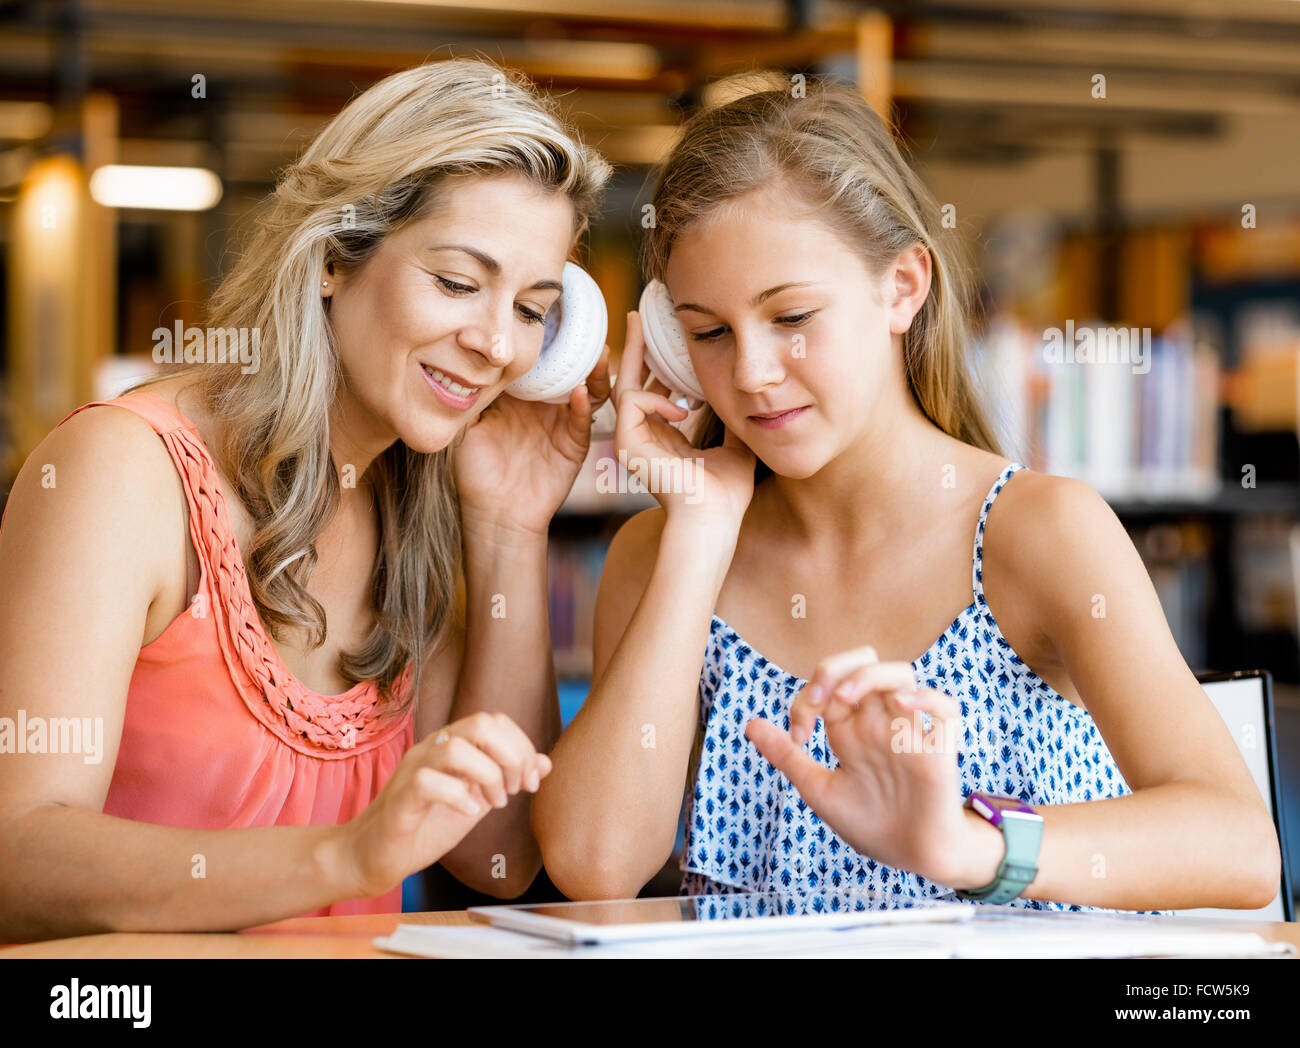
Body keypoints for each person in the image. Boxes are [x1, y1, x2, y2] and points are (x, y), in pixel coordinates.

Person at [534, 76, 1280, 913]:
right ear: (666, 343)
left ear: (902, 287)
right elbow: (594, 865)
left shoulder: (1036, 532)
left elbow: (1240, 842)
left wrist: (971, 846)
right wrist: (700, 536)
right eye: (708, 333)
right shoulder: (661, 554)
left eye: (791, 318)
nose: (749, 373)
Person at [0, 57, 611, 941]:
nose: (494, 344)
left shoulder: (419, 501)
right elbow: (19, 854)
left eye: (531, 308)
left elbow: (498, 853)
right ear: (332, 256)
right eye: (456, 282)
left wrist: (510, 526)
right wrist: (348, 856)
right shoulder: (122, 471)